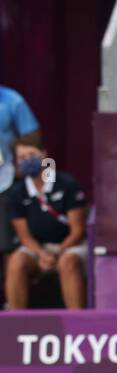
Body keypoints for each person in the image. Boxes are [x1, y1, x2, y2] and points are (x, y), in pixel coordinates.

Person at [5, 140, 87, 309]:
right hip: (38, 248)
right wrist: (42, 254)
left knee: (68, 262)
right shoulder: (17, 192)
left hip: (70, 245)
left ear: (44, 154)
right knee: (16, 261)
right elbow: (24, 236)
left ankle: (77, 321)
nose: (27, 160)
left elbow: (77, 231)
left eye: (32, 155)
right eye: (22, 158)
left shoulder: (66, 183)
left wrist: (57, 252)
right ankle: (15, 321)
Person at [0, 85, 41, 293]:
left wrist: (17, 161)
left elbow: (31, 137)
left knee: (7, 244)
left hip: (3, 183)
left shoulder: (12, 100)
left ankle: (8, 302)